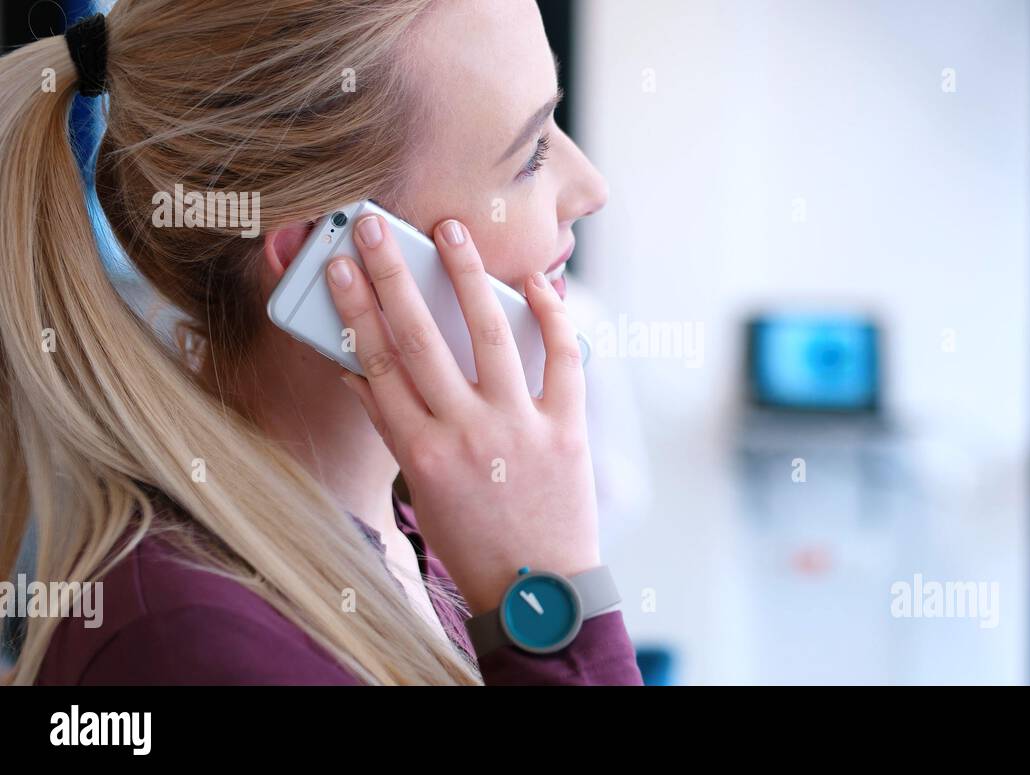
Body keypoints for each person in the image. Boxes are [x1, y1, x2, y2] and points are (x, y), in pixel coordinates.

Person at [0, 0, 641, 685]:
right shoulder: (195, 645)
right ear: (331, 261)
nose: (591, 187)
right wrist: (553, 608)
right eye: (532, 153)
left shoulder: (430, 535)